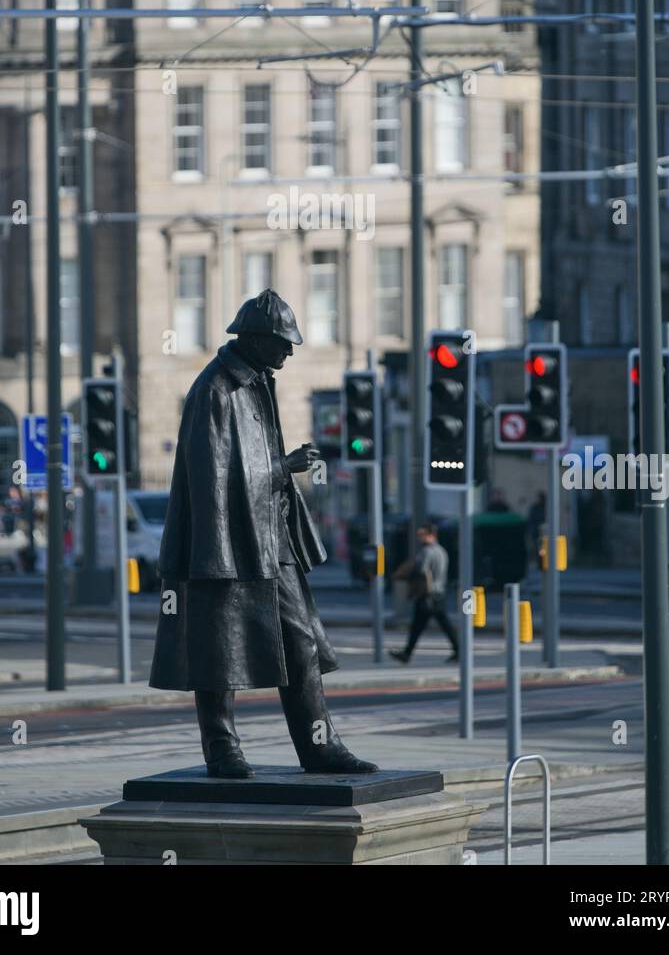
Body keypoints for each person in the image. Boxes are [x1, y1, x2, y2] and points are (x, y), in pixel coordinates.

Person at [150, 289, 377, 779]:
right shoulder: (214, 390)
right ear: (254, 339)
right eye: (283, 342)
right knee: (218, 648)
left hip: (272, 539)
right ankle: (222, 750)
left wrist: (280, 471)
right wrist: (283, 467)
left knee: (302, 643)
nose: (290, 352)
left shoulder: (257, 382)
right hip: (223, 542)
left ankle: (320, 746)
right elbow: (209, 478)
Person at [389, 523, 458, 664]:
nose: (420, 538)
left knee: (420, 625)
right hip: (439, 591)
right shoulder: (442, 551)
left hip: (427, 593)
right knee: (436, 624)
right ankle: (458, 650)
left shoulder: (426, 552)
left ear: (431, 535)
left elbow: (420, 570)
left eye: (422, 535)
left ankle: (407, 654)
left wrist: (407, 577)